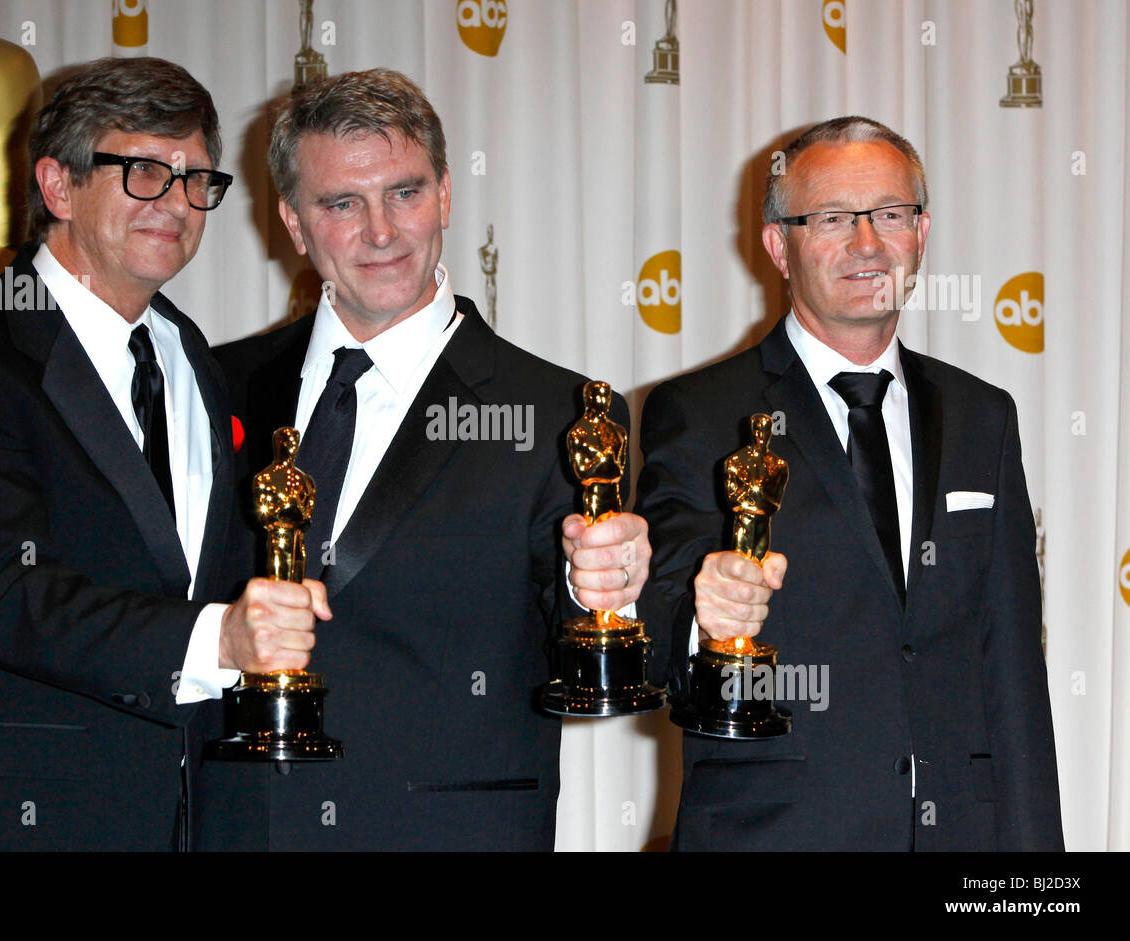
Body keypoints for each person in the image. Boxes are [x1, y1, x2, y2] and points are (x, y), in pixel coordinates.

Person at [0, 57, 326, 851]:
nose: (176, 203)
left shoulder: (195, 361)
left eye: (195, 179)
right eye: (144, 172)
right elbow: (2, 592)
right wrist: (217, 640)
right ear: (58, 186)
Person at [202, 68, 650, 851]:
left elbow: (587, 658)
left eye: (404, 193)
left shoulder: (562, 414)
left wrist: (602, 586)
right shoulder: (215, 389)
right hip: (237, 826)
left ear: (446, 194)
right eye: (342, 203)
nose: (381, 231)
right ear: (294, 222)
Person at [635, 116, 1063, 850]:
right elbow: (658, 623)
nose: (867, 244)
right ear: (779, 245)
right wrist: (708, 622)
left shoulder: (982, 418)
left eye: (890, 214)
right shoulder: (700, 413)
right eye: (832, 218)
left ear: (920, 234)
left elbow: (1014, 679)